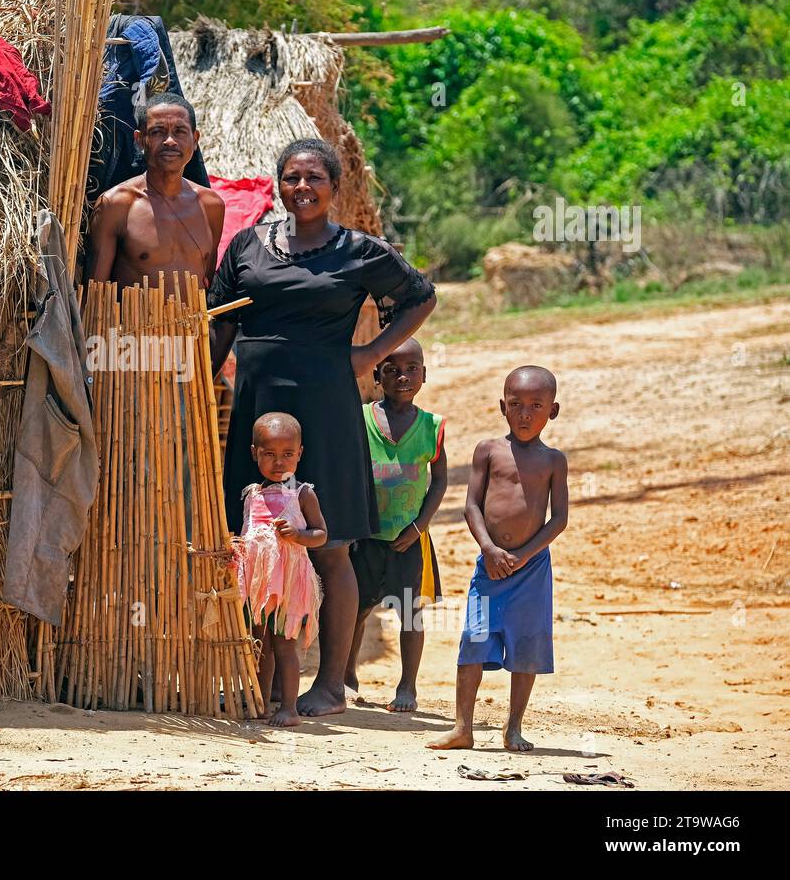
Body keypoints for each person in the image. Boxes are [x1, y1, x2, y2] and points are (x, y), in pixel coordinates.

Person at [209, 137, 437, 717]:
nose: (302, 188)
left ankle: (331, 684)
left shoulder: (359, 250)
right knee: (253, 538)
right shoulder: (247, 246)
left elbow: (420, 296)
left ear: (335, 187)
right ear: (278, 185)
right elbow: (217, 326)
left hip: (330, 409)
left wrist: (369, 355)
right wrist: (190, 381)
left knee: (331, 544)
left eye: (314, 177)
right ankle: (253, 679)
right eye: (292, 177)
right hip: (260, 413)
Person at [428, 366, 569, 752]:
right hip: (489, 567)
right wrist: (489, 549)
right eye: (516, 405)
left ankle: (514, 727)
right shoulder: (488, 450)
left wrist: (522, 556)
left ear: (552, 411)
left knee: (526, 647)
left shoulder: (553, 460)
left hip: (532, 570)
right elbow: (471, 506)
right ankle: (462, 728)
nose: (525, 414)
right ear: (502, 407)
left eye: (535, 406)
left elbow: (559, 519)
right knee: (472, 642)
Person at [347, 337, 447, 713]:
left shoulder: (431, 426)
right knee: (356, 609)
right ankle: (346, 676)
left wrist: (420, 526)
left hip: (410, 539)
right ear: (377, 375)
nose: (402, 377)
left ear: (424, 374)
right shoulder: (361, 418)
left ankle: (407, 686)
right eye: (391, 370)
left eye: (411, 370)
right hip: (366, 535)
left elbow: (439, 481)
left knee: (410, 612)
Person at [234, 412, 327, 728]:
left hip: (288, 587)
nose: (279, 462)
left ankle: (289, 708)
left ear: (300, 454)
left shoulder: (303, 493)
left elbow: (320, 534)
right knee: (259, 646)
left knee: (285, 645)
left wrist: (298, 535)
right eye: (269, 454)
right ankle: (259, 701)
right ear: (254, 453)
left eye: (288, 454)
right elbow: (249, 536)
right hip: (259, 589)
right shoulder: (252, 494)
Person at [86, 92, 225, 292]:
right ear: (140, 139)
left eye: (180, 131)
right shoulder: (116, 205)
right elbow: (94, 294)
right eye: (158, 132)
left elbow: (206, 281)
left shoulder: (211, 205)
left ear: (195, 140)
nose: (170, 141)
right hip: (132, 323)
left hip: (193, 323)